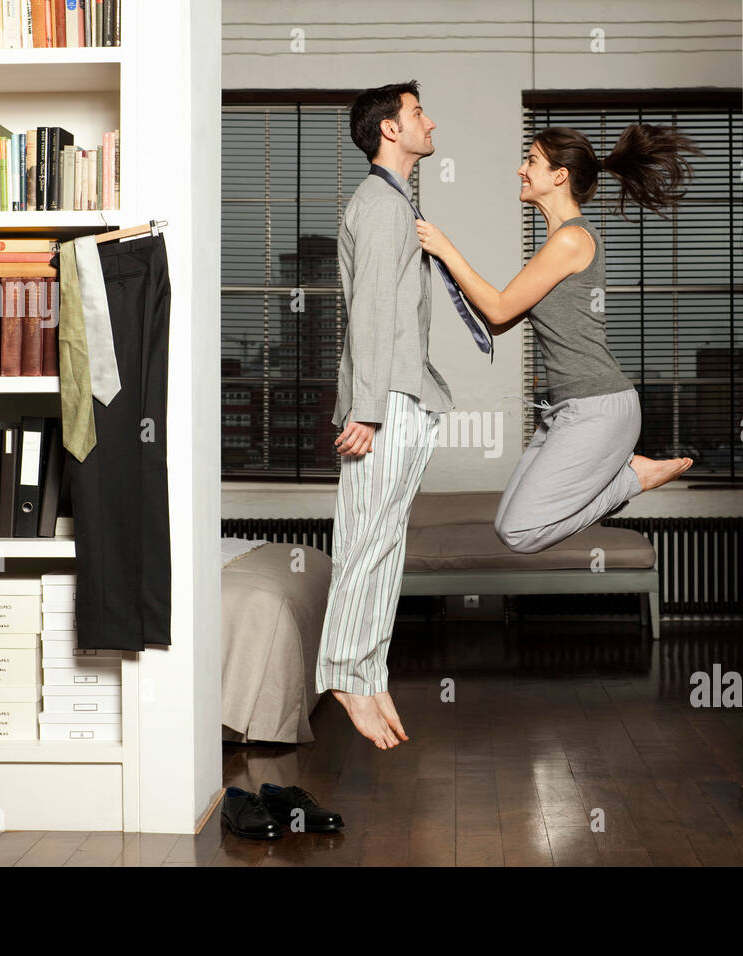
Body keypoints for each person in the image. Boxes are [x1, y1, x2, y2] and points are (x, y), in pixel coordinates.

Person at [415, 124, 699, 554]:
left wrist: (446, 249)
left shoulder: (570, 239)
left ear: (559, 176)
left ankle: (632, 478)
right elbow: (498, 322)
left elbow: (497, 308)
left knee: (520, 532)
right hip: (569, 407)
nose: (520, 170)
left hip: (597, 405)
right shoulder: (558, 242)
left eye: (530, 161)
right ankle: (629, 473)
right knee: (507, 521)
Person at [314, 81, 450, 750]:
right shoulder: (378, 204)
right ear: (391, 130)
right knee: (367, 542)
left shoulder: (395, 203)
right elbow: (367, 311)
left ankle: (367, 670)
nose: (430, 120)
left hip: (403, 397)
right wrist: (366, 411)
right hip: (384, 403)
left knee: (386, 542)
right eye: (419, 112)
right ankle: (342, 672)